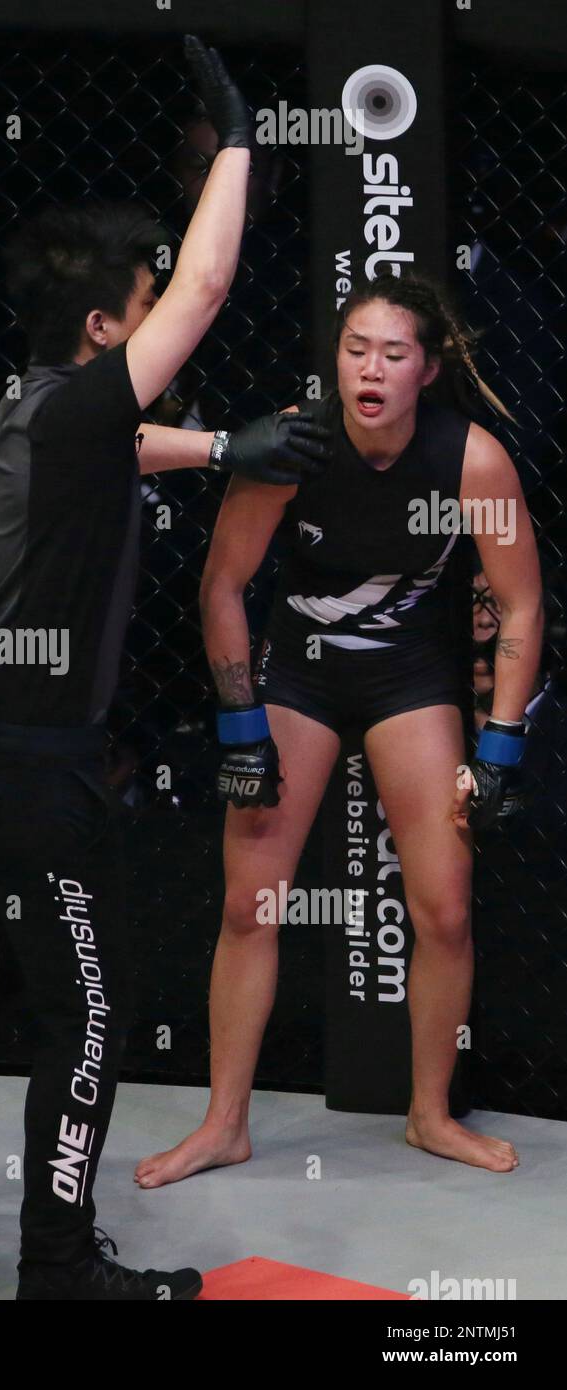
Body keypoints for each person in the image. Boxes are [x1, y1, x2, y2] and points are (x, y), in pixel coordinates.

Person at [0, 36, 331, 1301]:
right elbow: (207, 286)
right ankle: (56, 1263)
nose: (167, 315)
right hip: (34, 769)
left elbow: (138, 439)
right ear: (106, 328)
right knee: (87, 1014)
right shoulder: (73, 406)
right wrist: (240, 144)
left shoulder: (37, 407)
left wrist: (219, 445)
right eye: (141, 306)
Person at [135, 270, 544, 1190]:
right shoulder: (295, 442)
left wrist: (501, 746)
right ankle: (223, 1124)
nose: (370, 368)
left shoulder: (470, 460)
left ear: (424, 369)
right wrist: (241, 729)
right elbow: (221, 586)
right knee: (251, 905)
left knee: (441, 906)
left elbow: (519, 606)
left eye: (392, 353)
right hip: (299, 677)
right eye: (355, 349)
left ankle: (429, 1115)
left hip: (409, 678)